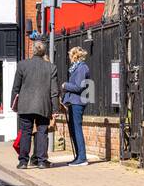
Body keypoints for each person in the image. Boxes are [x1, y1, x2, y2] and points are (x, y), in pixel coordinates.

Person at [10, 42, 59, 170]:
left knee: (25, 132)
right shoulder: (51, 67)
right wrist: (55, 109)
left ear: (33, 51)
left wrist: (13, 105)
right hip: (43, 105)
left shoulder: (22, 65)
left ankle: (23, 162)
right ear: (44, 52)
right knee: (42, 132)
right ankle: (42, 161)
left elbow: (16, 87)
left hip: (25, 105)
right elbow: (54, 91)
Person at [61, 46, 90, 166]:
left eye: (70, 55)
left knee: (77, 129)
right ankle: (79, 156)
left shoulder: (82, 68)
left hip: (78, 102)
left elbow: (79, 87)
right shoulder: (76, 68)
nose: (69, 58)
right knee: (73, 129)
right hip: (74, 101)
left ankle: (82, 157)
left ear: (75, 56)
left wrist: (65, 85)